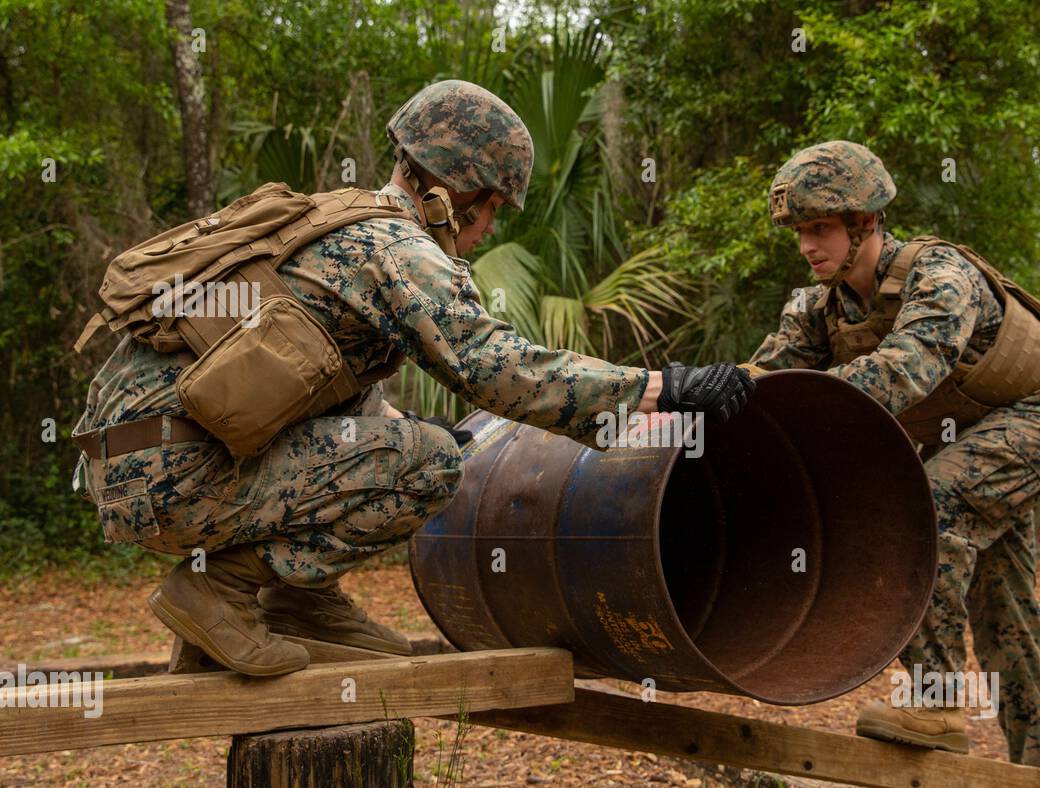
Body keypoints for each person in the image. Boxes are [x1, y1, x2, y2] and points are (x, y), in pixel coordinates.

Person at [71, 80, 753, 679]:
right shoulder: (397, 246)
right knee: (430, 466)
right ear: (461, 194)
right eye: (491, 211)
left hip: (136, 464)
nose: (486, 231)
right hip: (176, 473)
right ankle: (219, 593)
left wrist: (395, 429)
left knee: (413, 440)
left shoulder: (337, 218)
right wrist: (663, 389)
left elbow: (318, 378)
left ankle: (294, 601)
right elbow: (496, 368)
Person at [741, 141, 1040, 788]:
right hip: (969, 439)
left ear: (864, 222)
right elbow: (768, 388)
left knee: (926, 508)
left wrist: (808, 401)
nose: (808, 245)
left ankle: (935, 703)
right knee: (1005, 608)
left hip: (1036, 420)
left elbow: (908, 369)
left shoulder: (939, 274)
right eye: (800, 232)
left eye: (820, 229)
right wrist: (698, 405)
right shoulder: (816, 309)